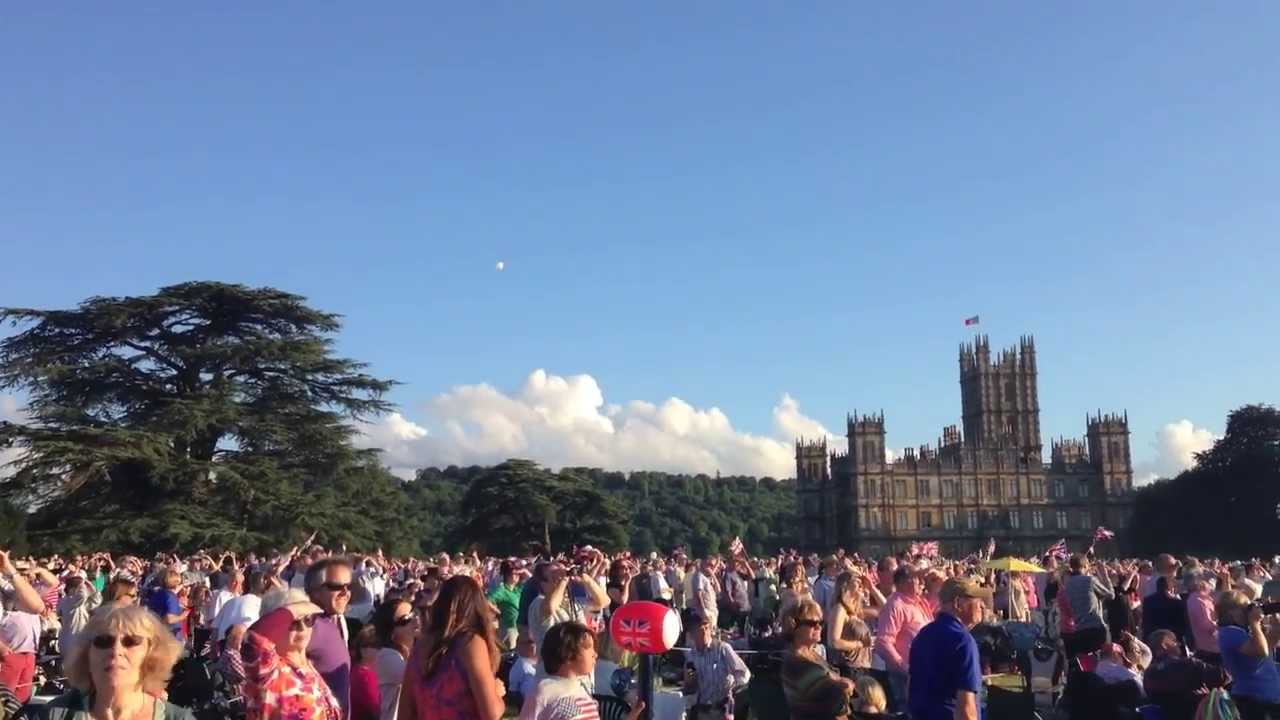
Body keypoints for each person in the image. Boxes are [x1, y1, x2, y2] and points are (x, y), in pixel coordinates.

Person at [44, 605, 193, 720]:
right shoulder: (55, 715)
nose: (116, 650)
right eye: (103, 641)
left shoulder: (178, 718)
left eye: (131, 641)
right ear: (86, 654)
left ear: (152, 654)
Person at [397, 575, 505, 720]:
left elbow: (405, 713)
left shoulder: (420, 646)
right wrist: (496, 692)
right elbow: (491, 714)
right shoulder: (471, 643)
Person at [243, 589, 343, 720]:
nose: (302, 628)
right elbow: (255, 640)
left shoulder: (307, 666)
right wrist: (297, 608)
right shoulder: (268, 671)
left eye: (308, 619)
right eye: (293, 622)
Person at [519, 621, 645, 720]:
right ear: (567, 653)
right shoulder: (544, 692)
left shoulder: (581, 692)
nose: (595, 654)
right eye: (589, 648)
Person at [906, 578, 992, 720]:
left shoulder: (923, 635)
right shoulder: (963, 642)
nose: (982, 606)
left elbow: (910, 688)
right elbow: (966, 709)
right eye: (976, 600)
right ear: (958, 603)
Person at [780, 600, 855, 720]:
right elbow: (836, 699)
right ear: (794, 625)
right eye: (812, 623)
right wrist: (842, 686)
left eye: (821, 622)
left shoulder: (813, 655)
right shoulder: (796, 663)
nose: (819, 627)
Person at [306, 557, 361, 719]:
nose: (345, 592)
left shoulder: (337, 620)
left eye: (348, 586)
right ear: (315, 591)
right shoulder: (306, 625)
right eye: (336, 586)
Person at [1214, 590, 1280, 718]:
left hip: (1267, 698)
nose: (1248, 613)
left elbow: (1269, 643)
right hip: (1255, 700)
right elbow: (1261, 650)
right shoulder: (1228, 633)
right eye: (1246, 609)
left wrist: (1275, 621)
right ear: (1233, 613)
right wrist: (1254, 623)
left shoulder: (1241, 632)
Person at [873, 566, 930, 711]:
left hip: (922, 674)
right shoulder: (895, 605)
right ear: (905, 582)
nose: (922, 582)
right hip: (905, 678)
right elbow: (883, 642)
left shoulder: (918, 603)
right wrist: (905, 668)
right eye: (918, 578)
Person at [528, 562, 608, 661]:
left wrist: (586, 579)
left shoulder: (570, 601)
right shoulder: (538, 602)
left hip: (580, 669)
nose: (560, 579)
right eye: (554, 577)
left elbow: (603, 602)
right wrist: (564, 580)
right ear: (542, 583)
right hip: (554, 671)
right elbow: (550, 607)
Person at [1143, 629, 1230, 720]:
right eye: (1174, 641)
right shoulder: (1188, 664)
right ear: (1164, 644)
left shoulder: (1148, 674)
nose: (1179, 644)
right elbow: (1222, 676)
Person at [682, 608, 750, 720]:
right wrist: (689, 682)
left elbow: (744, 673)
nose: (701, 631)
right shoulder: (691, 656)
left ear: (708, 628)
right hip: (702, 711)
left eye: (704, 627)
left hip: (722, 709)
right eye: (695, 629)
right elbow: (689, 688)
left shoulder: (722, 649)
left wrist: (732, 685)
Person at [371, 596, 417, 720]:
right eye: (406, 619)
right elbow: (420, 677)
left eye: (414, 614)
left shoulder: (409, 652)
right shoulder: (387, 657)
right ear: (391, 633)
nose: (415, 620)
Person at [1063, 554, 1114, 659]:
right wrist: (1105, 576)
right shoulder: (1090, 580)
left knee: (1087, 663)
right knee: (1103, 661)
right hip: (1096, 627)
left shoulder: (1068, 584)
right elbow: (1110, 595)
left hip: (1080, 629)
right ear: (1085, 566)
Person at [825, 572, 872, 673]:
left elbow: (884, 608)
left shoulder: (856, 611)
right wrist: (859, 644)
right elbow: (833, 642)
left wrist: (872, 588)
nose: (861, 584)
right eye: (857, 580)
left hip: (863, 666)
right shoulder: (840, 609)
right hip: (848, 668)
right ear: (846, 584)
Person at [1141, 576, 1190, 643]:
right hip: (1172, 638)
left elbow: (1145, 621)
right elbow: (1182, 624)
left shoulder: (1148, 601)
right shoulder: (1176, 602)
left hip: (1153, 638)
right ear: (1170, 587)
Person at [487, 561, 523, 652]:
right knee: (509, 655)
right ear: (507, 575)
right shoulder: (502, 590)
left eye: (518, 574)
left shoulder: (517, 589)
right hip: (508, 629)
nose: (517, 575)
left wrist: (525, 571)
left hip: (519, 628)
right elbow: (486, 601)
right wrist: (498, 612)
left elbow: (535, 582)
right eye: (513, 573)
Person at [1186, 571, 1221, 664]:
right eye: (1208, 582)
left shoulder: (1204, 599)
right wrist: (1224, 626)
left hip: (1211, 646)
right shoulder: (1198, 601)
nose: (1211, 585)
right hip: (1211, 648)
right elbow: (1206, 626)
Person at [145, 569, 189, 640]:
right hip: (170, 635)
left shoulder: (157, 593)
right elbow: (169, 619)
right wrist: (182, 616)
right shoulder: (171, 597)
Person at [350, 626, 381, 720]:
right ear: (363, 650)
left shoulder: (355, 671)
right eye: (376, 647)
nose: (380, 651)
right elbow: (374, 709)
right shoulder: (366, 677)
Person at [507, 636, 538, 702]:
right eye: (528, 642)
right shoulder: (519, 666)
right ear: (519, 646)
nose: (532, 645)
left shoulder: (542, 661)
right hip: (530, 702)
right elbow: (512, 691)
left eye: (533, 642)